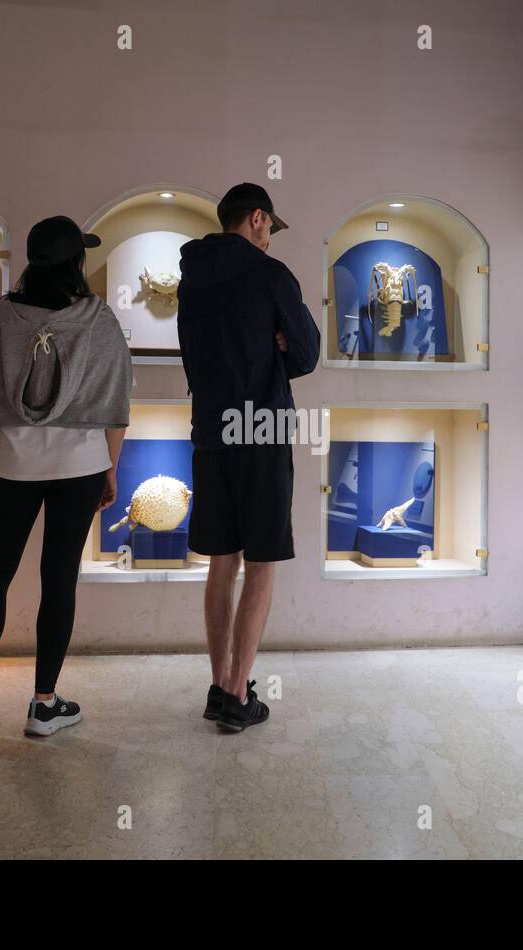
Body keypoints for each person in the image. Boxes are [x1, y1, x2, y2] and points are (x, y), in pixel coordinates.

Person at [0, 215, 132, 737]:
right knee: (59, 579)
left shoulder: (3, 318)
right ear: (77, 262)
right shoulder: (98, 319)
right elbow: (115, 403)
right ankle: (44, 704)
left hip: (14, 465)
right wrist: (110, 467)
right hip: (81, 466)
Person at [177, 183, 320, 732]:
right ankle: (239, 693)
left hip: (211, 429)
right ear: (258, 219)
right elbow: (306, 352)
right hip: (262, 427)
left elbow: (194, 354)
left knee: (222, 561)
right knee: (261, 562)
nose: (268, 237)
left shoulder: (192, 278)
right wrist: (278, 340)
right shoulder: (271, 275)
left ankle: (219, 685)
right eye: (268, 227)